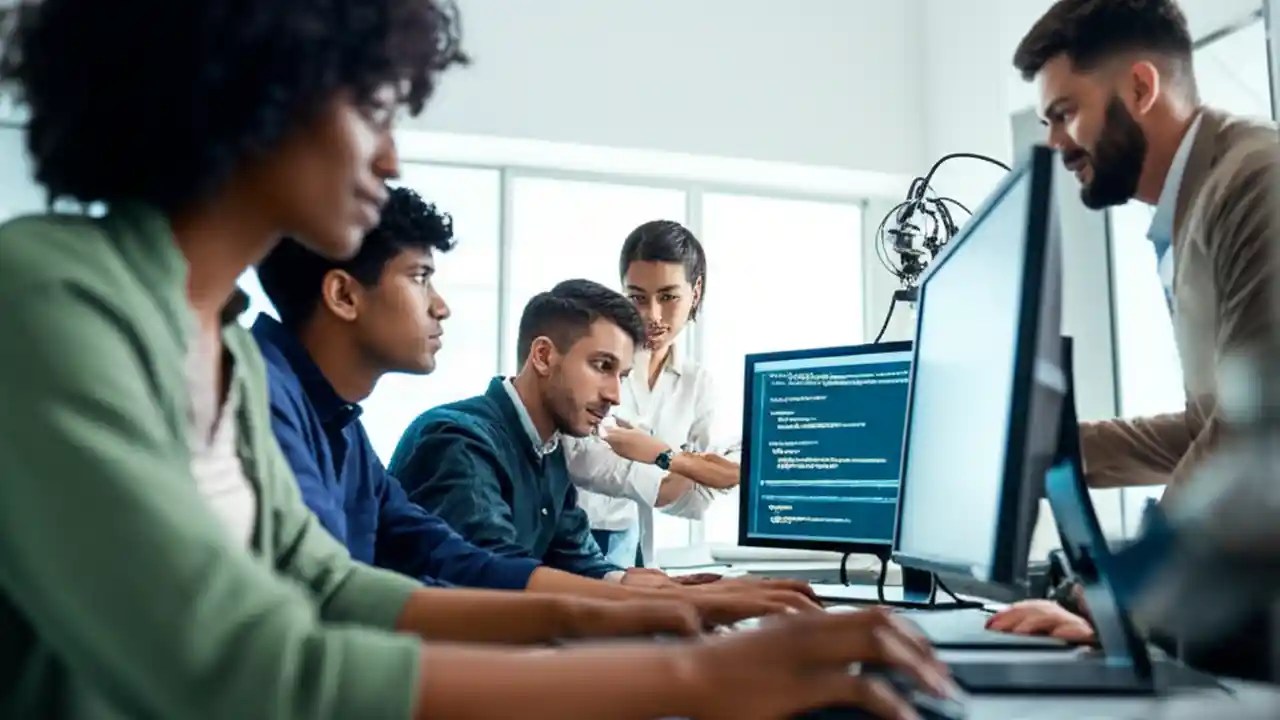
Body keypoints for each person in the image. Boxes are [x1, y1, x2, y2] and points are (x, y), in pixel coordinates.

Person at [0, 1, 956, 718]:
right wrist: (689, 672)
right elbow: (237, 660)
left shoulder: (232, 352)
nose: (390, 160)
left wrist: (622, 618)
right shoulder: (47, 297)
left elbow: (331, 583)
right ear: (248, 89)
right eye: (371, 110)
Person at [254, 186, 817, 622]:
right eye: (422, 278)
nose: (443, 307)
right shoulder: (452, 439)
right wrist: (660, 621)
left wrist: (657, 590)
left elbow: (488, 558)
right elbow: (476, 579)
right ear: (344, 294)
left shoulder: (345, 428)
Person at [986, 0, 1280, 655]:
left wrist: (1122, 594)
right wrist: (1035, 454)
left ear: (1141, 87)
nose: (1056, 143)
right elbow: (1206, 429)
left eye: (1065, 114)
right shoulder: (1195, 205)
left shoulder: (1254, 182)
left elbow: (1253, 440)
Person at [564, 220, 740, 568]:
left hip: (635, 545)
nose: (652, 316)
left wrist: (664, 461)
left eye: (668, 297)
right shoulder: (594, 360)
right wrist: (682, 464)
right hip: (567, 536)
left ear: (696, 290)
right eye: (637, 298)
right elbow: (583, 460)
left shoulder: (698, 384)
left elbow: (698, 500)